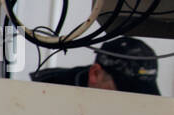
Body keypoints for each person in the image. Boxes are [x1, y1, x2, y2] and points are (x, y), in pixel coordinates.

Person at [30, 37, 161, 95]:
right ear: (95, 73)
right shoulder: (44, 96)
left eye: (143, 93)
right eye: (126, 91)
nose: (135, 105)